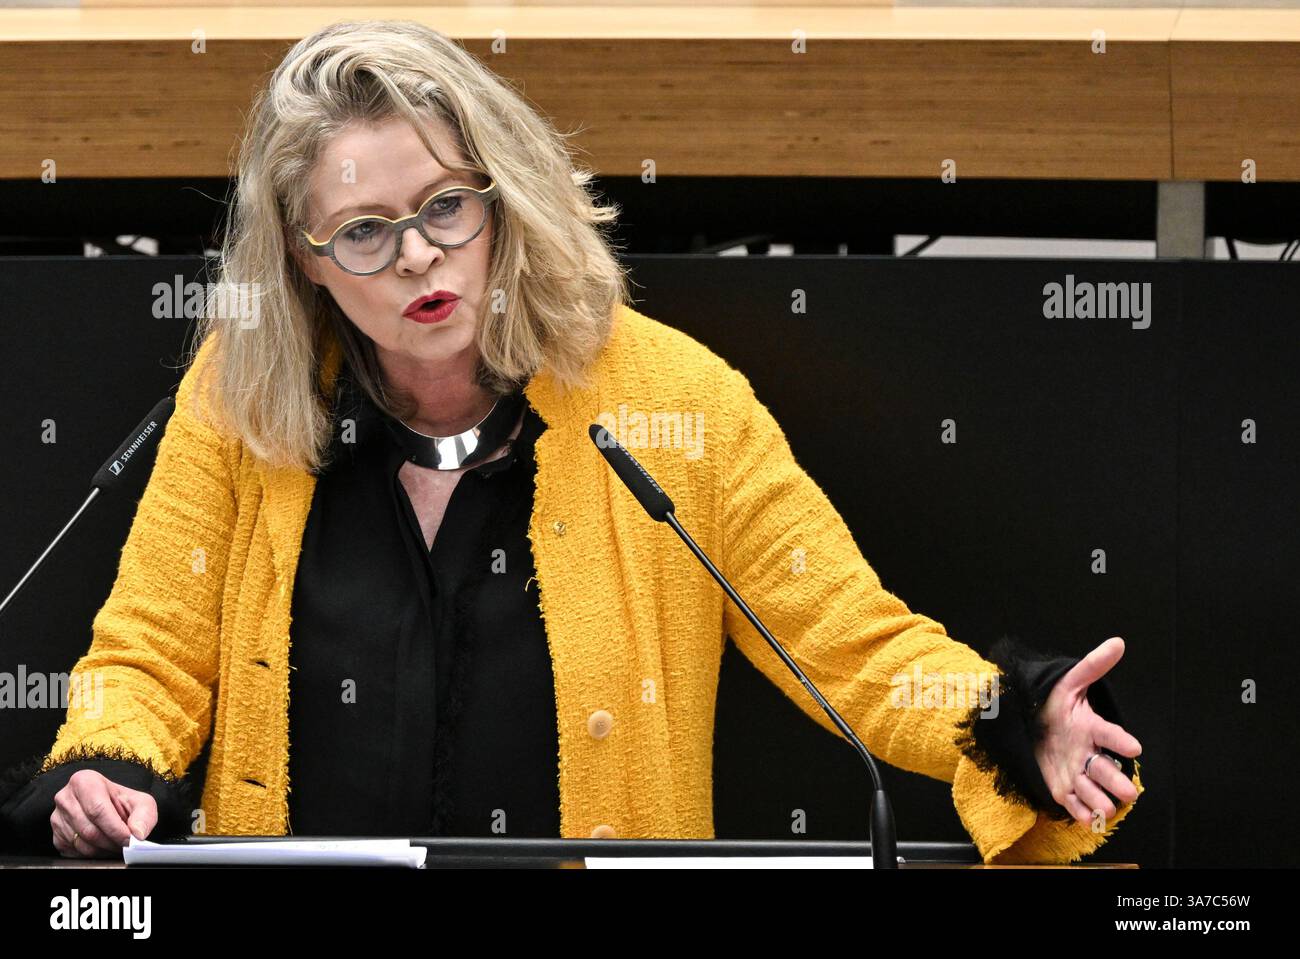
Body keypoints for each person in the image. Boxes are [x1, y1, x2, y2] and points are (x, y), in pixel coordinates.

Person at [0, 19, 1142, 862]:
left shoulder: (669, 399)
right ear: (300, 257)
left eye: (447, 206)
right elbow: (145, 655)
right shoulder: (240, 398)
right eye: (363, 230)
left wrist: (1005, 716)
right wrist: (107, 774)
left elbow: (854, 645)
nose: (416, 258)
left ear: (504, 197)